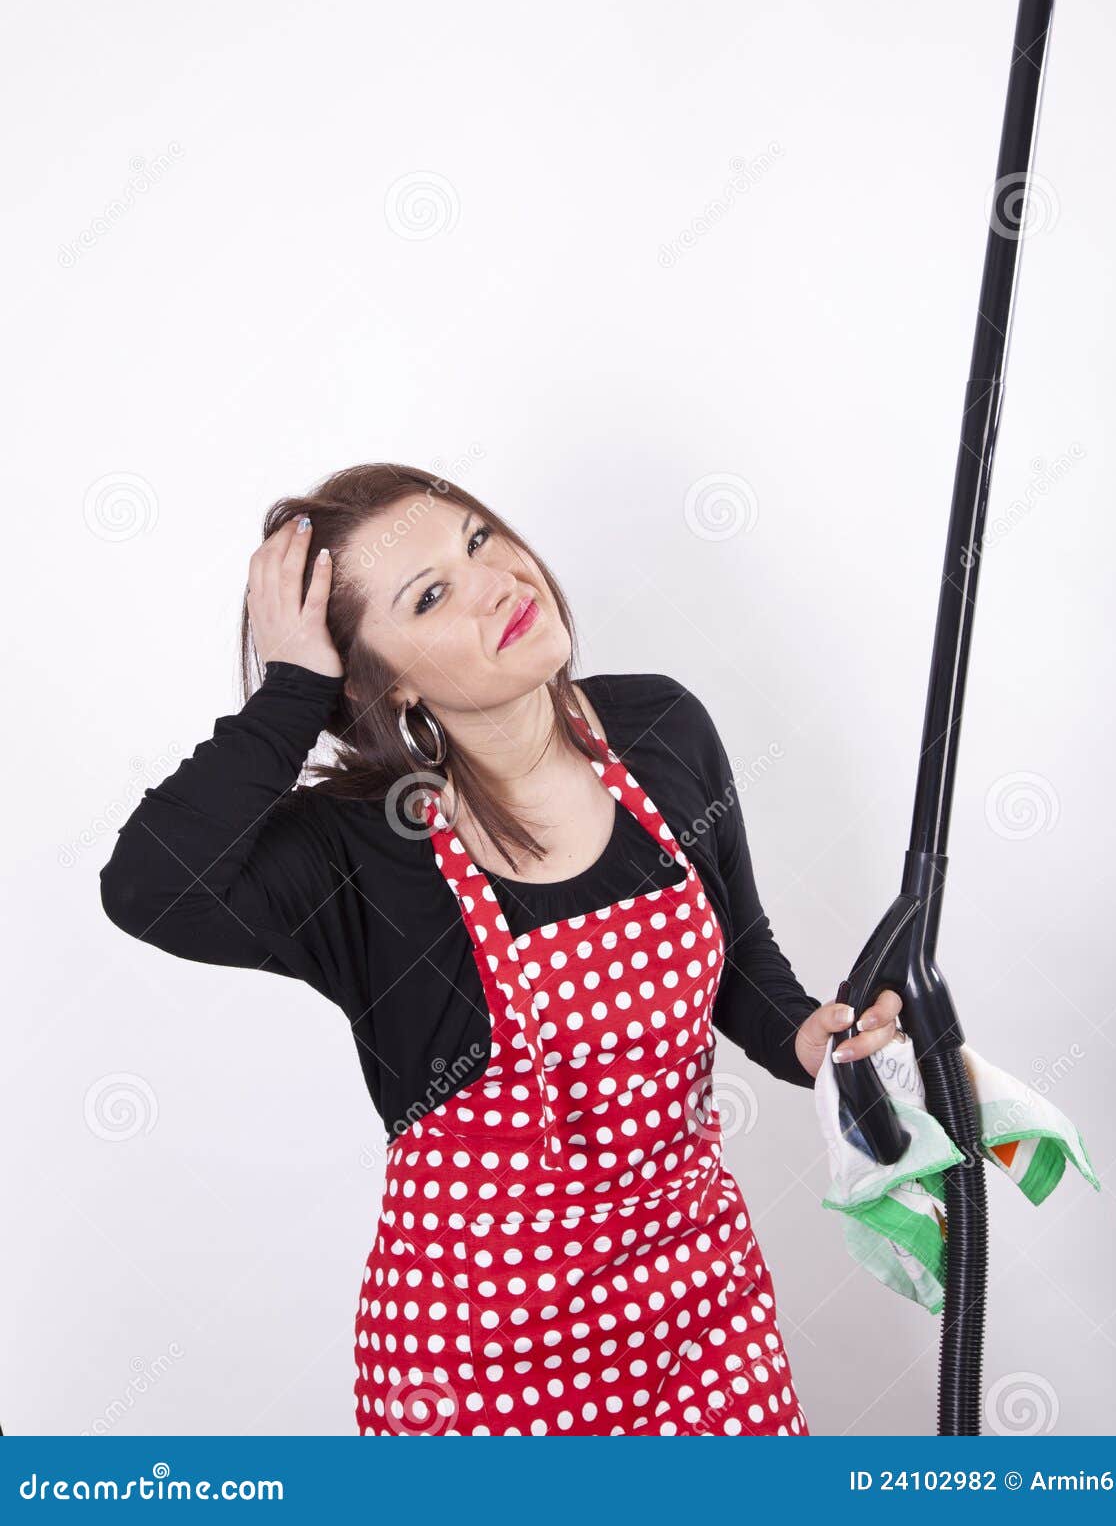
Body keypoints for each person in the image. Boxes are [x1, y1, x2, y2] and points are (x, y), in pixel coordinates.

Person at [99, 461, 903, 1437]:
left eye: (479, 539)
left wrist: (810, 1037)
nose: (493, 583)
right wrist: (293, 693)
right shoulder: (362, 852)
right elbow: (148, 886)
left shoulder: (659, 728)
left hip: (701, 1311)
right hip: (475, 1366)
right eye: (431, 596)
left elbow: (737, 954)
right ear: (380, 680)